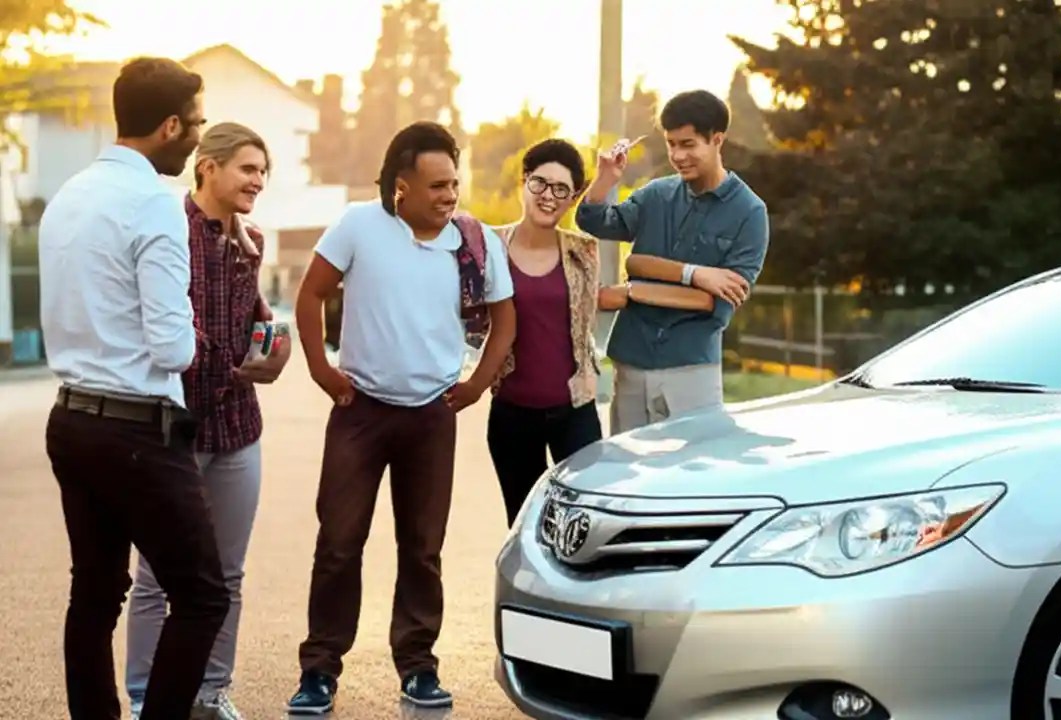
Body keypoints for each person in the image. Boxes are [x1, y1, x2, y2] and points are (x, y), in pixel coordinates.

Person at [286, 121, 516, 713]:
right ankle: (319, 671)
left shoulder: (474, 241)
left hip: (432, 416)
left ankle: (418, 667)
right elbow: (311, 293)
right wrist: (322, 369)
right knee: (339, 543)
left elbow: (505, 318)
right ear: (401, 186)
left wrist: (476, 384)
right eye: (437, 185)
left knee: (422, 547)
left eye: (454, 183)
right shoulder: (359, 226)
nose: (449, 195)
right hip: (359, 412)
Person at [38, 57, 229, 720]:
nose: (198, 138)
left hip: (70, 419)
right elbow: (173, 347)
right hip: (135, 430)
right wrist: (199, 336)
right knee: (202, 595)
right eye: (196, 124)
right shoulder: (152, 202)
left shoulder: (70, 194)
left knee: (94, 595)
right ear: (170, 125)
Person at [124, 121, 289, 720]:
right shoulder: (166, 230)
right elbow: (163, 327)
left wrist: (277, 346)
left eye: (263, 171)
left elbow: (258, 318)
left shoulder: (252, 242)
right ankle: (144, 698)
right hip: (174, 428)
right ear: (208, 167)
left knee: (226, 573)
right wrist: (231, 358)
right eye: (248, 168)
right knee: (156, 576)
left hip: (239, 428)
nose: (258, 180)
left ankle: (210, 693)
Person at [487, 139, 715, 526]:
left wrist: (697, 281)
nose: (548, 196)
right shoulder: (490, 245)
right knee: (524, 522)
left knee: (589, 519)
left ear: (571, 198)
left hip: (574, 410)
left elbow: (599, 297)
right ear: (524, 181)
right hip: (512, 412)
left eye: (561, 189)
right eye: (540, 183)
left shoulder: (582, 251)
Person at [577, 90, 770, 434]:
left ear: (717, 140)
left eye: (688, 144)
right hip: (631, 363)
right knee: (626, 463)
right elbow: (595, 222)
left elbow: (715, 303)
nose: (678, 156)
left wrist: (634, 288)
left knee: (695, 467)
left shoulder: (750, 213)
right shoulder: (656, 194)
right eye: (671, 144)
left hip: (692, 370)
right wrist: (605, 178)